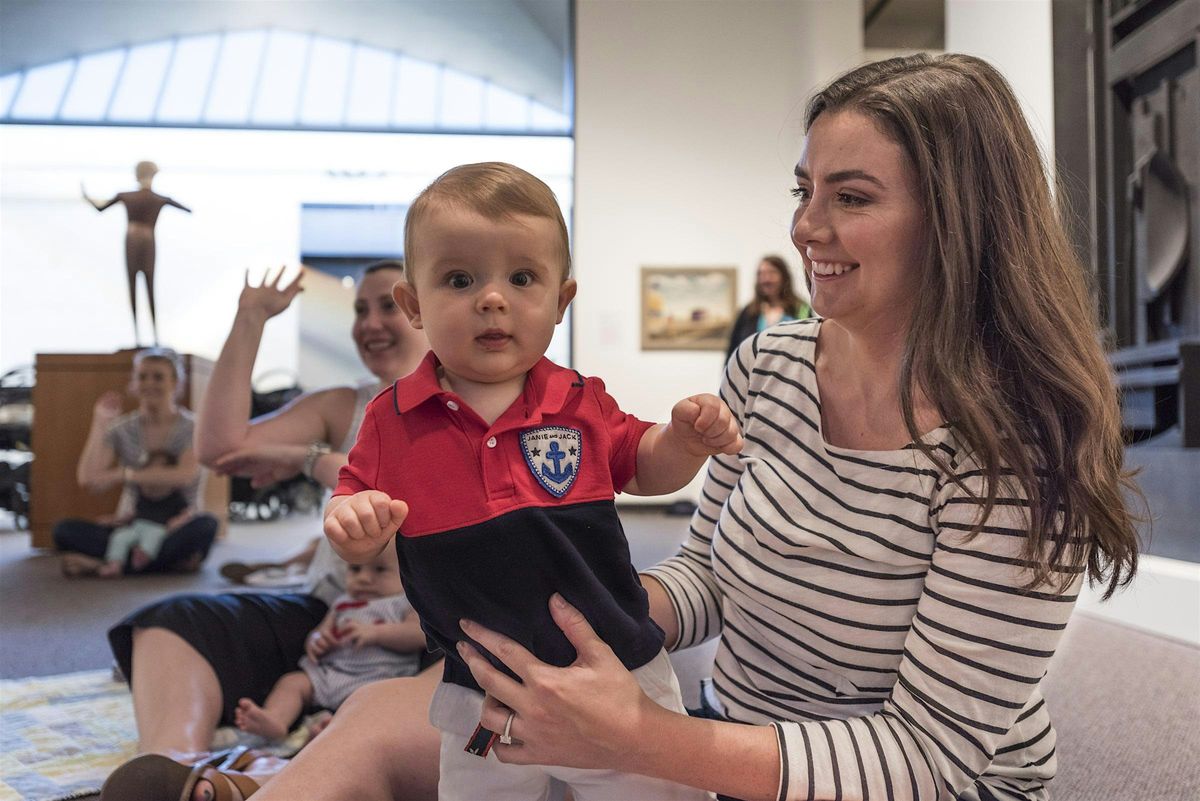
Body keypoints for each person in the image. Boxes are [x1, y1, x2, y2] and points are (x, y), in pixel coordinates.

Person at [441, 54, 1141, 801]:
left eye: (851, 197)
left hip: (922, 784)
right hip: (728, 736)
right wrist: (570, 615)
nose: (806, 227)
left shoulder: (1020, 447)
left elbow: (925, 758)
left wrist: (639, 736)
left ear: (959, 221)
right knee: (415, 721)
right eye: (804, 191)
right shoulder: (766, 366)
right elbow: (708, 572)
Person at [324, 162, 740, 801]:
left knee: (654, 791)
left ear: (559, 301)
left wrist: (682, 441)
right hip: (479, 684)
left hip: (617, 666)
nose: (492, 299)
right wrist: (353, 526)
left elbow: (644, 464)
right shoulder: (392, 419)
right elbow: (353, 507)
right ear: (414, 305)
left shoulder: (578, 400)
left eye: (522, 278)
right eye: (459, 280)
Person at [99, 260, 435, 801]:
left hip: (428, 629)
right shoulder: (344, 402)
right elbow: (219, 449)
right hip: (335, 613)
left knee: (453, 691)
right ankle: (178, 768)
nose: (370, 322)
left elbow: (405, 501)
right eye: (359, 309)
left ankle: (257, 784)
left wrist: (318, 462)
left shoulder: (473, 403)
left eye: (387, 305)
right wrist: (251, 318)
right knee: (174, 619)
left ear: (424, 310)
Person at [54, 347, 217, 577]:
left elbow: (184, 475)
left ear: (176, 383)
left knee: (206, 526)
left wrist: (124, 474)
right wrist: (99, 424)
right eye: (142, 376)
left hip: (176, 526)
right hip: (132, 526)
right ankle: (156, 564)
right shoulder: (122, 429)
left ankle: (109, 564)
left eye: (158, 377)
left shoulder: (192, 427)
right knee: (64, 531)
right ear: (133, 382)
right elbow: (89, 480)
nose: (149, 383)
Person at [234, 545, 421, 742]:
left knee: (378, 707)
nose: (364, 579)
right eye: (355, 569)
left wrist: (376, 633)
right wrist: (318, 641)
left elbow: (418, 634)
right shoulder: (342, 602)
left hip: (377, 679)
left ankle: (331, 734)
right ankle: (275, 718)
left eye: (380, 570)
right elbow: (319, 631)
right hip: (330, 674)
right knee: (293, 682)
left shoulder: (404, 603)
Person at [83, 161, 191, 346]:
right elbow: (187, 209)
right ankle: (149, 337)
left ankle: (143, 337)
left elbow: (100, 207)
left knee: (135, 285)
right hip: (148, 240)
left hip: (132, 240)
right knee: (147, 285)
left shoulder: (127, 196)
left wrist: (86, 196)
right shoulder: (157, 198)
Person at [725, 254, 809, 361]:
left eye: (772, 273)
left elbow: (808, 344)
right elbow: (733, 349)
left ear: (784, 276)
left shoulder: (801, 308)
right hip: (752, 375)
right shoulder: (748, 312)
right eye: (761, 274)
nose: (766, 279)